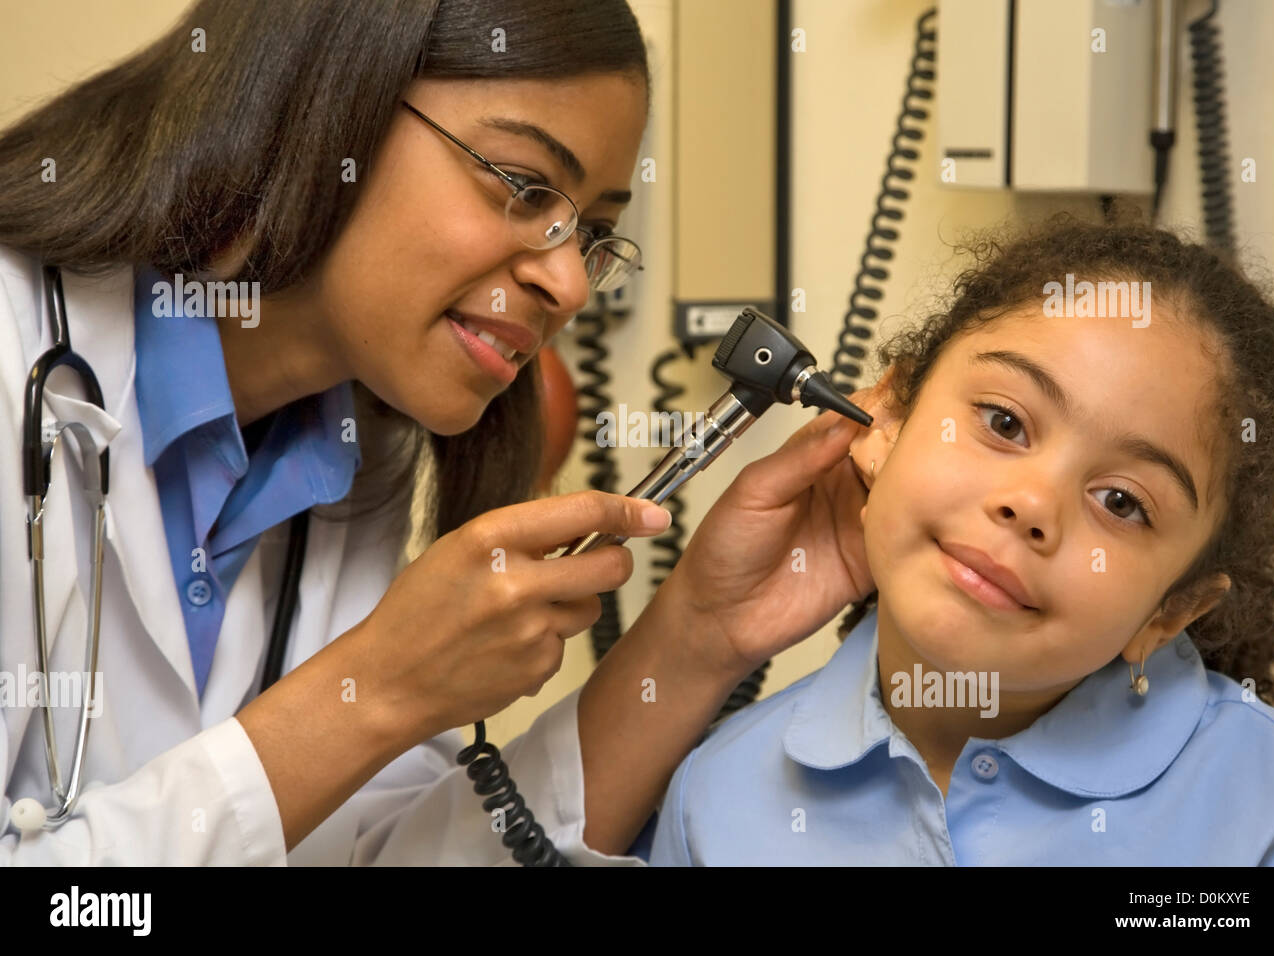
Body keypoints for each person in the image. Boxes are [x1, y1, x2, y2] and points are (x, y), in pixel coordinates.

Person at [0, 0, 875, 864]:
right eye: (525, 185)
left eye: (596, 232)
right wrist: (377, 690)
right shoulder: (16, 362)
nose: (570, 283)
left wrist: (698, 634)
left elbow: (373, 856)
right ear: (325, 104)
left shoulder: (355, 442)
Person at [649, 215, 1274, 865]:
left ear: (1173, 610)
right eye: (1004, 422)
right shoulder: (716, 800)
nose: (1031, 504)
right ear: (888, 422)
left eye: (1122, 502)